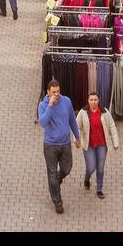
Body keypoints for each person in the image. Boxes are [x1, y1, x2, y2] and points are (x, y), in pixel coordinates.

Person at [38, 79, 81, 214]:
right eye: (53, 92)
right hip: (50, 145)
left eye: (58, 91)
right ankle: (57, 202)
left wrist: (77, 136)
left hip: (65, 143)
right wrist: (50, 106)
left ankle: (56, 180)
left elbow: (72, 120)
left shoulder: (66, 101)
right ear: (48, 92)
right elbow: (43, 122)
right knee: (51, 174)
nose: (56, 94)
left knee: (66, 169)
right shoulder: (43, 105)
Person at [75, 91, 120, 199]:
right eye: (91, 100)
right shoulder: (83, 112)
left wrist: (115, 142)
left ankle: (99, 189)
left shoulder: (105, 112)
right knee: (91, 167)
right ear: (88, 100)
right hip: (88, 145)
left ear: (98, 100)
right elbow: (77, 126)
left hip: (102, 145)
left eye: (95, 99)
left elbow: (112, 126)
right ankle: (87, 178)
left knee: (100, 168)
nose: (93, 102)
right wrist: (77, 140)